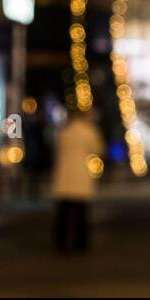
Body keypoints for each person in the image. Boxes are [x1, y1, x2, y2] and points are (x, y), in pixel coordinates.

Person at [51, 108, 102, 253]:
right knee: (81, 213)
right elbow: (98, 148)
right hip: (80, 175)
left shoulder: (63, 132)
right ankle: (81, 243)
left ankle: (60, 242)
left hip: (64, 175)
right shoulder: (88, 131)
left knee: (63, 213)